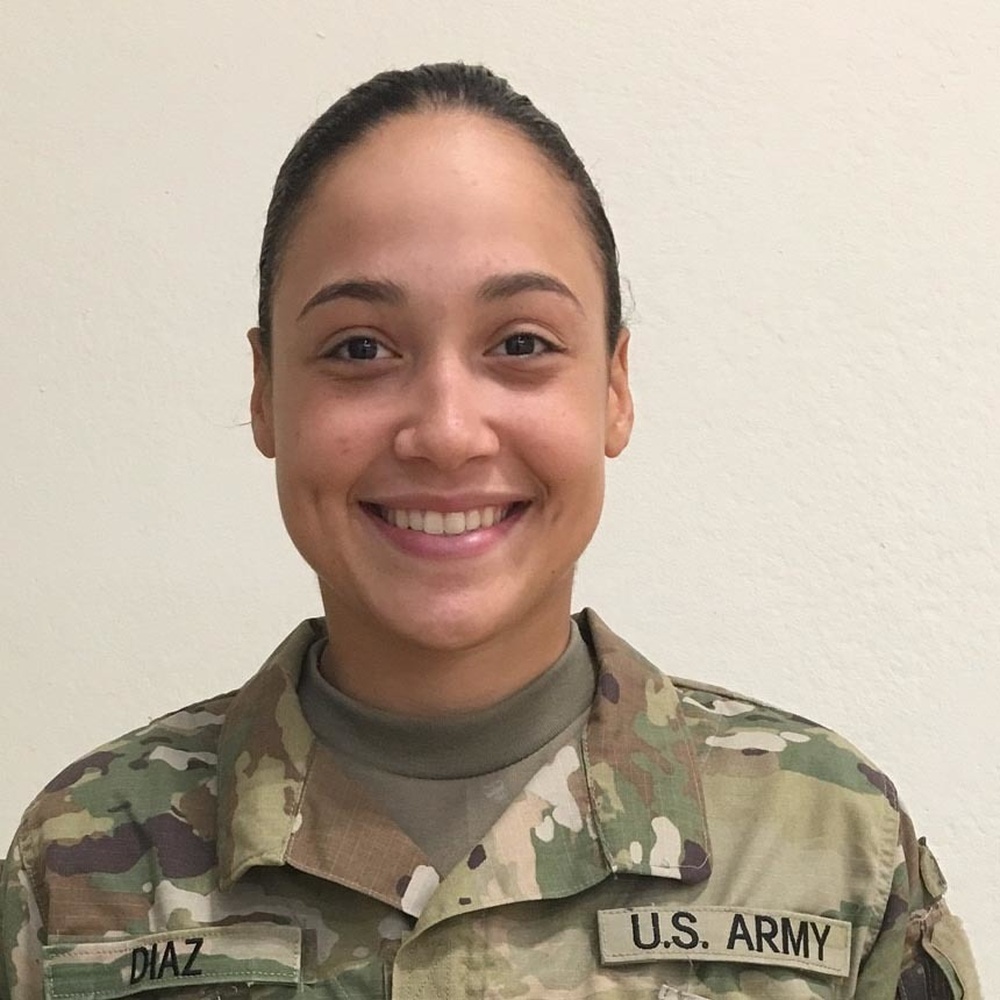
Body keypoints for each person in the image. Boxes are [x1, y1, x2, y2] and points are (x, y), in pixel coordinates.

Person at [0, 62, 980, 1000]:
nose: (445, 431)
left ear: (613, 386)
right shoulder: (86, 856)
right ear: (265, 393)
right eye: (357, 348)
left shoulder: (834, 844)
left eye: (520, 344)